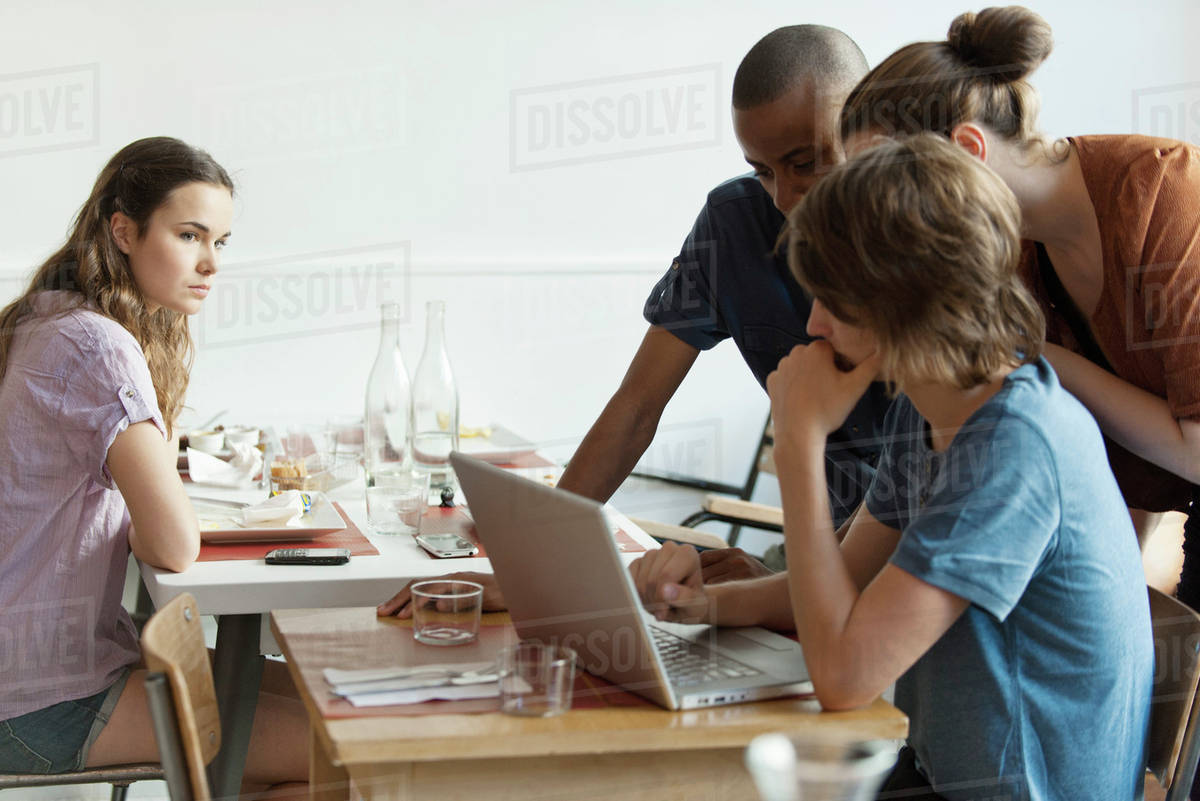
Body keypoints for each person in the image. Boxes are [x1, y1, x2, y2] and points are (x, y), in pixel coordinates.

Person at [629, 134, 1154, 800]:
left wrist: (798, 443)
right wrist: (708, 605)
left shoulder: (1016, 447)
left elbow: (844, 677)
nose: (814, 324)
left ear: (912, 306)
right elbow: (842, 581)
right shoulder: (932, 403)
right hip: (933, 774)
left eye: (837, 302)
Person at [377, 24, 894, 619]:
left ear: (870, 129)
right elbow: (636, 407)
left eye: (804, 164)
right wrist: (534, 572)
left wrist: (776, 587)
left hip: (893, 570)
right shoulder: (735, 226)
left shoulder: (926, 246)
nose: (782, 198)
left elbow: (910, 519)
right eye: (762, 171)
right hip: (818, 561)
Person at [837, 5, 1200, 604]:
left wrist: (1036, 354)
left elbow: (1193, 449)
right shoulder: (1007, 258)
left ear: (969, 149)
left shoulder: (1166, 195)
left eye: (887, 184)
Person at [0, 137, 308, 798]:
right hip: (37, 698)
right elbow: (172, 542)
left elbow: (148, 522)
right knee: (331, 751)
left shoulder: (51, 317)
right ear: (124, 230)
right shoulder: (96, 345)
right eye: (189, 234)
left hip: (41, 669)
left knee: (327, 705)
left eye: (219, 242)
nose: (209, 262)